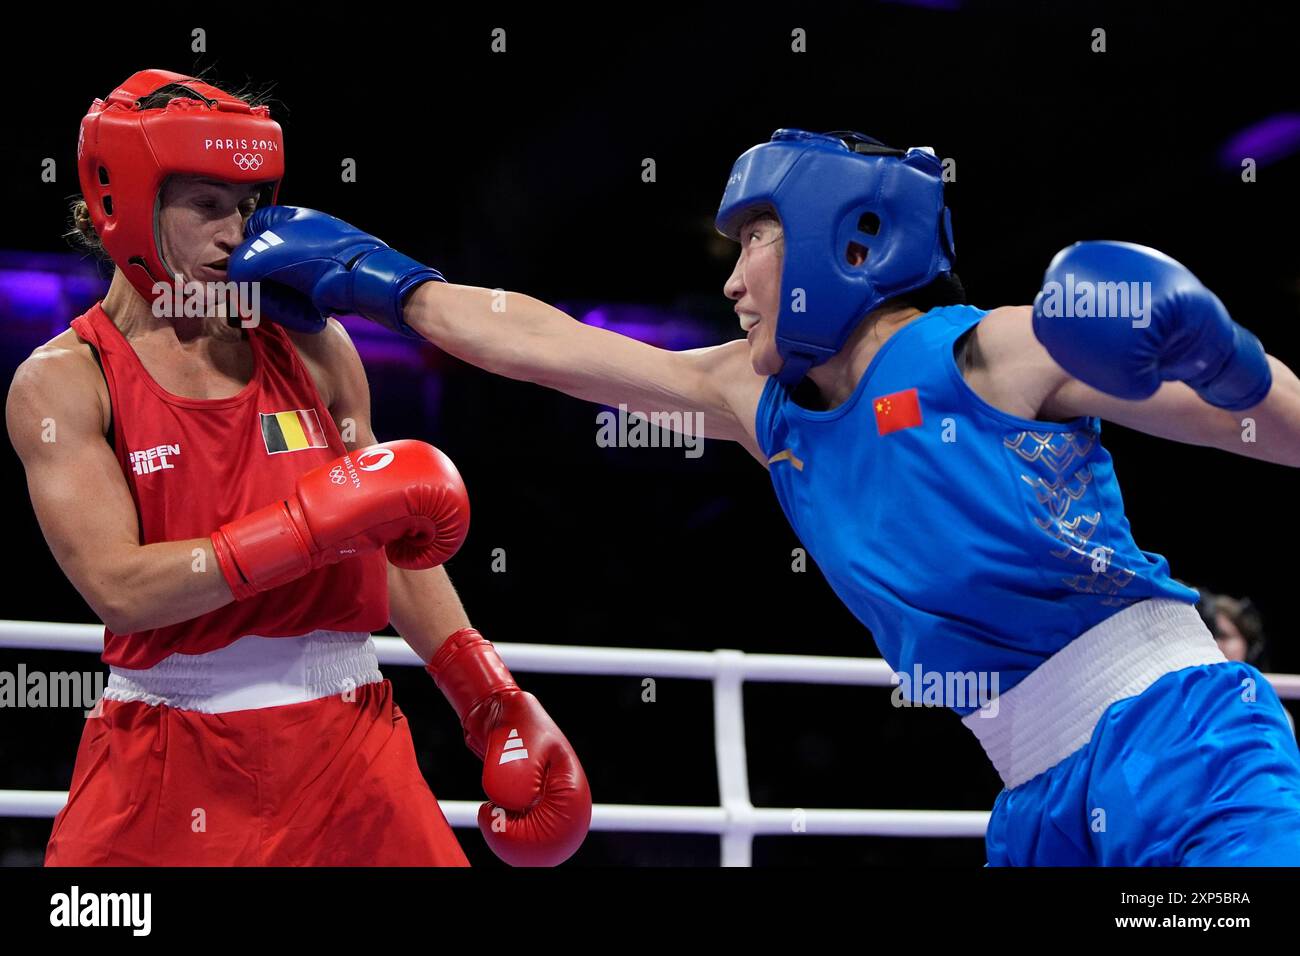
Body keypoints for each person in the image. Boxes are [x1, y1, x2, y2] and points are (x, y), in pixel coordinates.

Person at [230, 128, 1300, 865]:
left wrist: (1231, 361)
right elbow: (548, 342)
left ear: (851, 240)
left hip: (1183, 742)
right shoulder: (754, 400)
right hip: (1033, 792)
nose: (733, 278)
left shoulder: (993, 349)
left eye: (754, 239)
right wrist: (378, 276)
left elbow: (1277, 430)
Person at [6, 69, 590, 866]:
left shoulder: (312, 347)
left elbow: (378, 535)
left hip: (352, 744)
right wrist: (305, 528)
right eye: (205, 205)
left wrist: (486, 694)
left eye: (245, 207)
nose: (233, 232)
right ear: (127, 206)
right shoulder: (67, 379)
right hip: (169, 754)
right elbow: (122, 590)